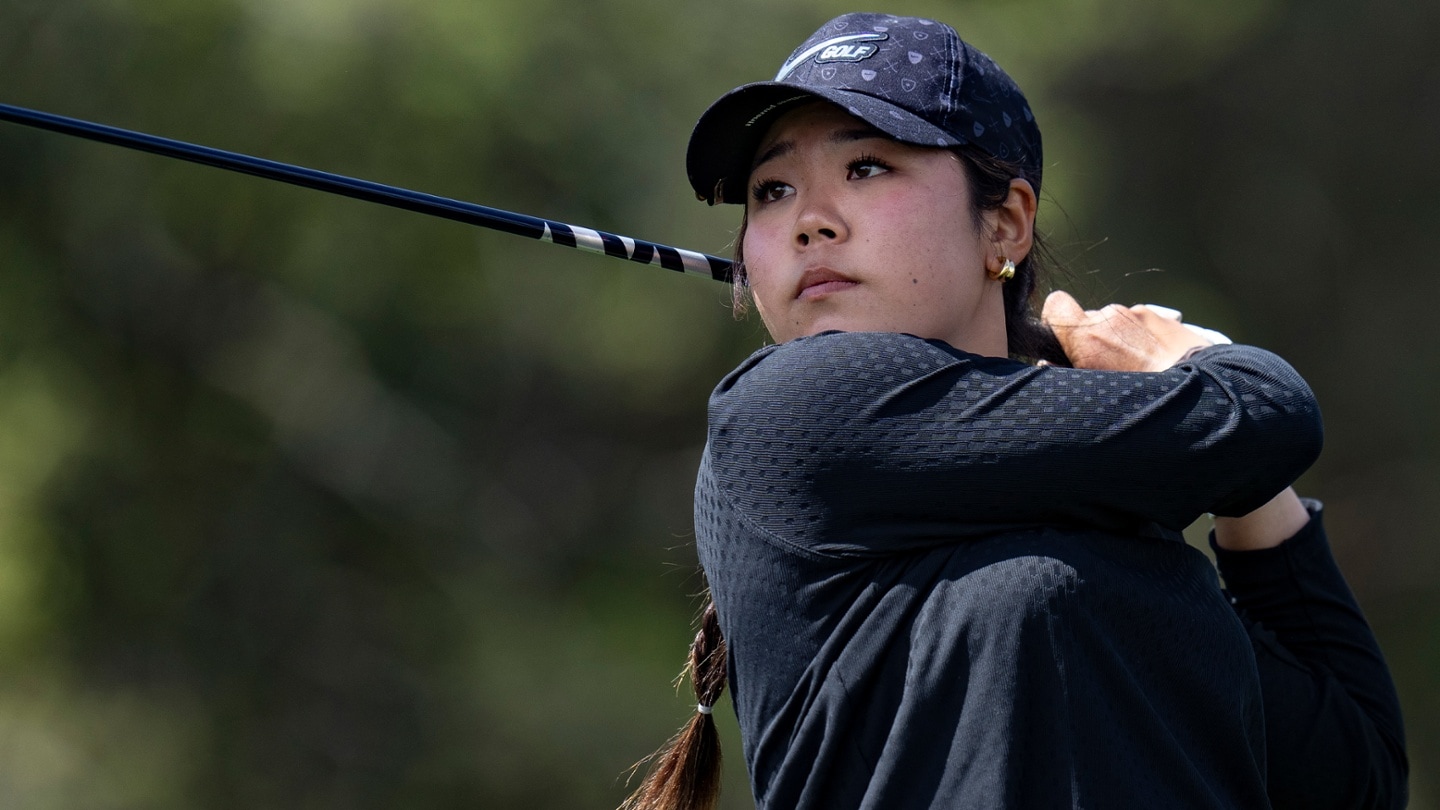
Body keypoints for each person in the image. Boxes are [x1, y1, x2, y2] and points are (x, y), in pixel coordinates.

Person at [622, 12, 1407, 810]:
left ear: (1004, 222)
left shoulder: (1141, 557)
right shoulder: (788, 407)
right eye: (773, 190)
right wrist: (1186, 364)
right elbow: (1275, 411)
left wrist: (1243, 479)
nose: (809, 219)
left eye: (866, 167)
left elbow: (1359, 779)